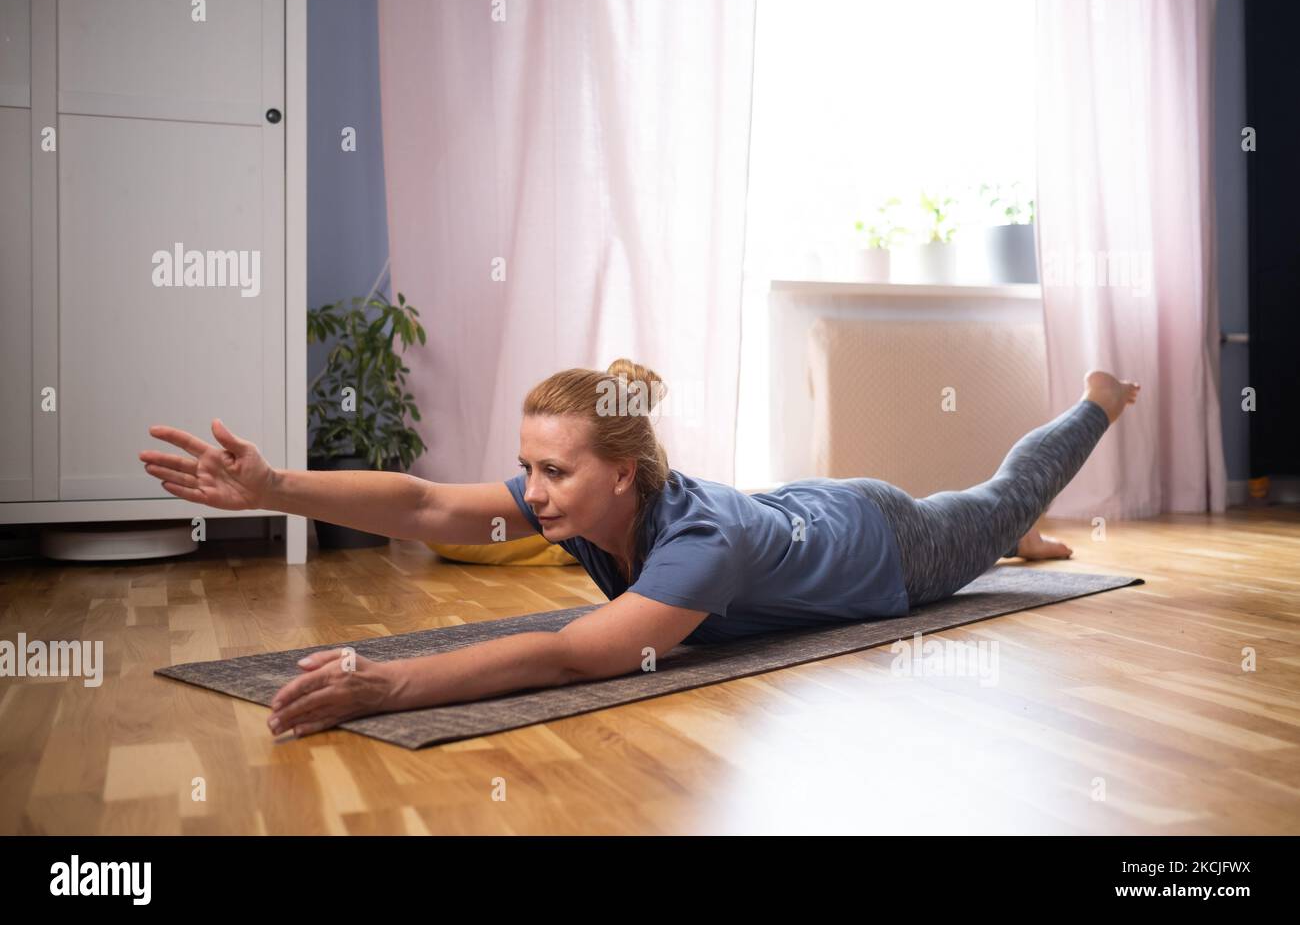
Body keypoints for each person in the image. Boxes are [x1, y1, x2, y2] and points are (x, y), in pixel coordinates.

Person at [139, 359, 1139, 738]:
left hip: (887, 545)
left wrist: (392, 684)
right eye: (527, 467)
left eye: (554, 473)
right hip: (799, 510)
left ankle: (1096, 400)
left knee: (996, 500)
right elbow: (436, 503)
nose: (531, 494)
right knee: (1002, 527)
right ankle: (1016, 544)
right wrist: (273, 489)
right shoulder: (581, 499)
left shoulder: (695, 546)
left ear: (623, 473)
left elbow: (582, 651)